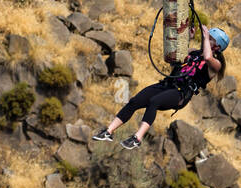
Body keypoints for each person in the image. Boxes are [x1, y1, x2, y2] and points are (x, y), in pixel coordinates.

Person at [93, 24, 230, 149]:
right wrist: (187, 37)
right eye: (208, 37)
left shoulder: (215, 64)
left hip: (180, 93)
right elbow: (175, 55)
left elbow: (207, 57)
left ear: (217, 47)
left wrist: (205, 36)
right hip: (167, 85)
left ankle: (137, 138)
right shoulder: (193, 52)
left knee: (155, 101)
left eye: (210, 39)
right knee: (135, 101)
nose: (206, 39)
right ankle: (108, 131)